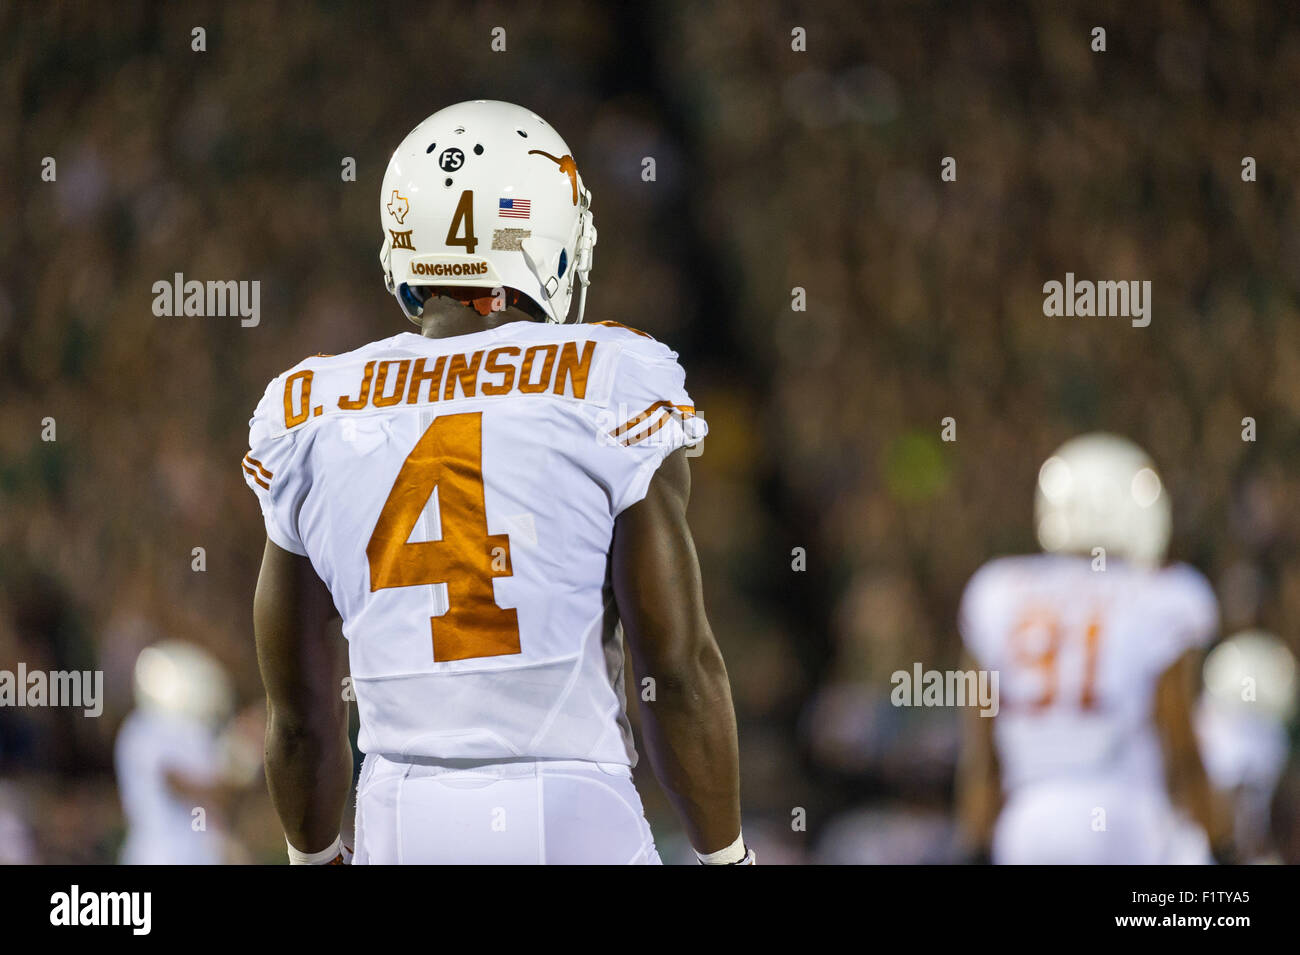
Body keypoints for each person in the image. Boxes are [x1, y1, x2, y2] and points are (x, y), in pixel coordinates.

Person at [244, 100, 750, 864]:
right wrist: (728, 858)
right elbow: (676, 670)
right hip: (574, 806)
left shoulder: (309, 407)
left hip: (402, 812)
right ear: (541, 238)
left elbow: (302, 720)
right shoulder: (610, 377)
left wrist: (315, 859)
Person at [956, 433, 1222, 864]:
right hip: (1125, 818)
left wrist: (971, 847)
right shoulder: (1163, 595)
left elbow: (983, 755)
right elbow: (1181, 744)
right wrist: (1222, 844)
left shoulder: (998, 591)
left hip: (1029, 823)